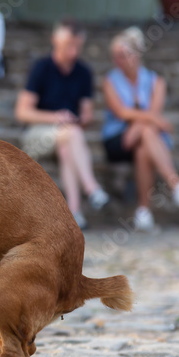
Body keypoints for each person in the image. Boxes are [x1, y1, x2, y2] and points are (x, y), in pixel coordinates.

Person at [101, 27, 179, 231]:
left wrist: (139, 123)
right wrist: (149, 120)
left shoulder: (156, 81)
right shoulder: (110, 81)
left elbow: (148, 115)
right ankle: (175, 184)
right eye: (115, 57)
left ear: (135, 55)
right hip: (117, 139)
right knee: (148, 130)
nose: (117, 61)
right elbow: (123, 113)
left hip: (140, 139)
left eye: (122, 56)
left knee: (143, 146)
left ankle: (143, 212)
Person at [15, 19, 108, 228]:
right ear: (55, 41)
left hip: (67, 136)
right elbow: (22, 112)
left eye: (77, 46)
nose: (73, 52)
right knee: (71, 134)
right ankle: (91, 187)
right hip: (37, 135)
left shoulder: (83, 72)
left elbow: (86, 114)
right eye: (69, 46)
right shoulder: (41, 68)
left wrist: (79, 120)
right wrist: (56, 117)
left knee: (68, 146)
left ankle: (74, 212)